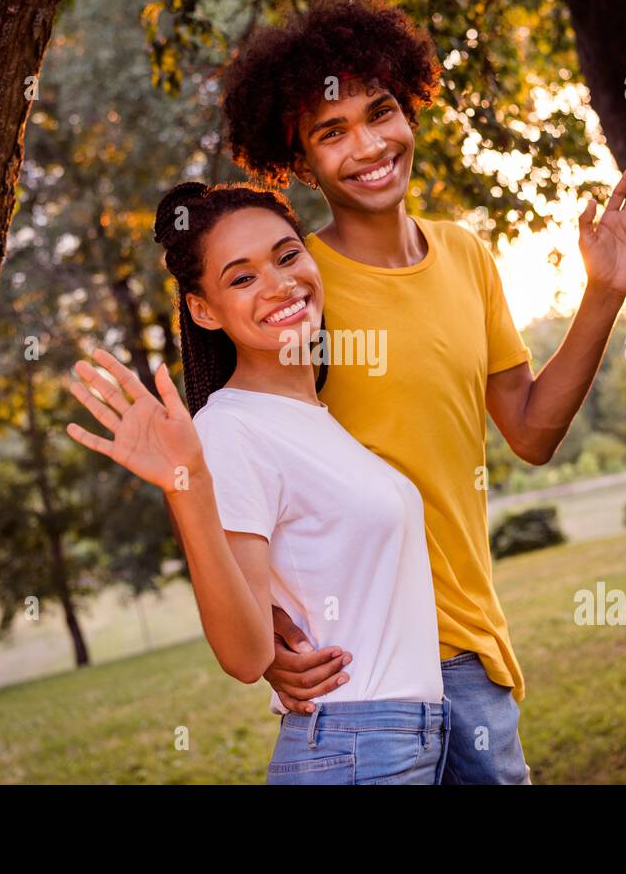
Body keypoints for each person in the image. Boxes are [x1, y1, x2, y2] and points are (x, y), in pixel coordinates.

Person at [218, 0, 626, 783]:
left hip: (471, 652)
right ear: (299, 159)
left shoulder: (465, 255)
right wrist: (268, 630)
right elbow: (230, 450)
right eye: (332, 132)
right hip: (362, 669)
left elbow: (530, 432)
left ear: (412, 108)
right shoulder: (292, 286)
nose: (367, 145)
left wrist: (604, 293)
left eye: (381, 111)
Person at [66, 182, 450, 784]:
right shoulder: (230, 430)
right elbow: (245, 655)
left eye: (287, 255)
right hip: (355, 747)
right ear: (204, 310)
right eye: (241, 278)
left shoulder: (318, 417)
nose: (278, 285)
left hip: (404, 738)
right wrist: (184, 487)